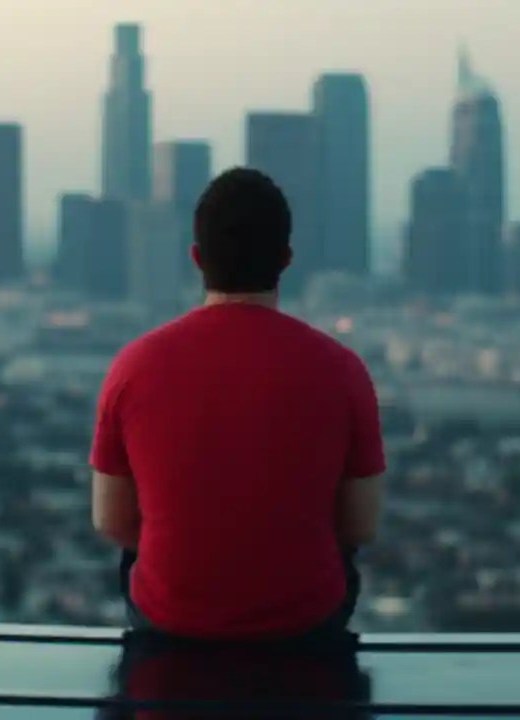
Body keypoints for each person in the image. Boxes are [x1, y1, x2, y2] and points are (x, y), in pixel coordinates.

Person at [90, 167, 385, 641]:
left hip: (172, 622)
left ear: (196, 258)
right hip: (304, 623)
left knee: (139, 559)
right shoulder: (343, 369)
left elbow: (110, 521)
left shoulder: (134, 366)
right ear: (286, 259)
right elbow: (361, 526)